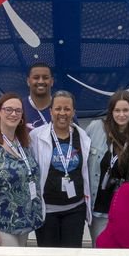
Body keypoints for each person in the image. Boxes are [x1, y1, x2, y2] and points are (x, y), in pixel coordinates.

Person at [0, 93, 45, 247]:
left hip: (24, 223)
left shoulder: (24, 146)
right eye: (8, 110)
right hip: (2, 225)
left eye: (18, 111)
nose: (13, 114)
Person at [86, 90, 129, 244]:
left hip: (126, 207)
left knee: (124, 250)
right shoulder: (96, 128)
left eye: (125, 110)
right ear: (111, 111)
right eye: (117, 110)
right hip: (100, 206)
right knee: (101, 249)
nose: (121, 115)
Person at [29, 89, 91, 247]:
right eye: (58, 108)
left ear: (73, 112)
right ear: (50, 111)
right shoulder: (36, 137)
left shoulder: (83, 137)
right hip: (47, 210)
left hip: (75, 209)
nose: (62, 113)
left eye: (67, 109)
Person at [24, 61, 54, 130]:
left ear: (52, 81)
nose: (41, 81)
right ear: (28, 81)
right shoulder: (18, 108)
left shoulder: (63, 109)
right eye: (36, 77)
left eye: (45, 78)